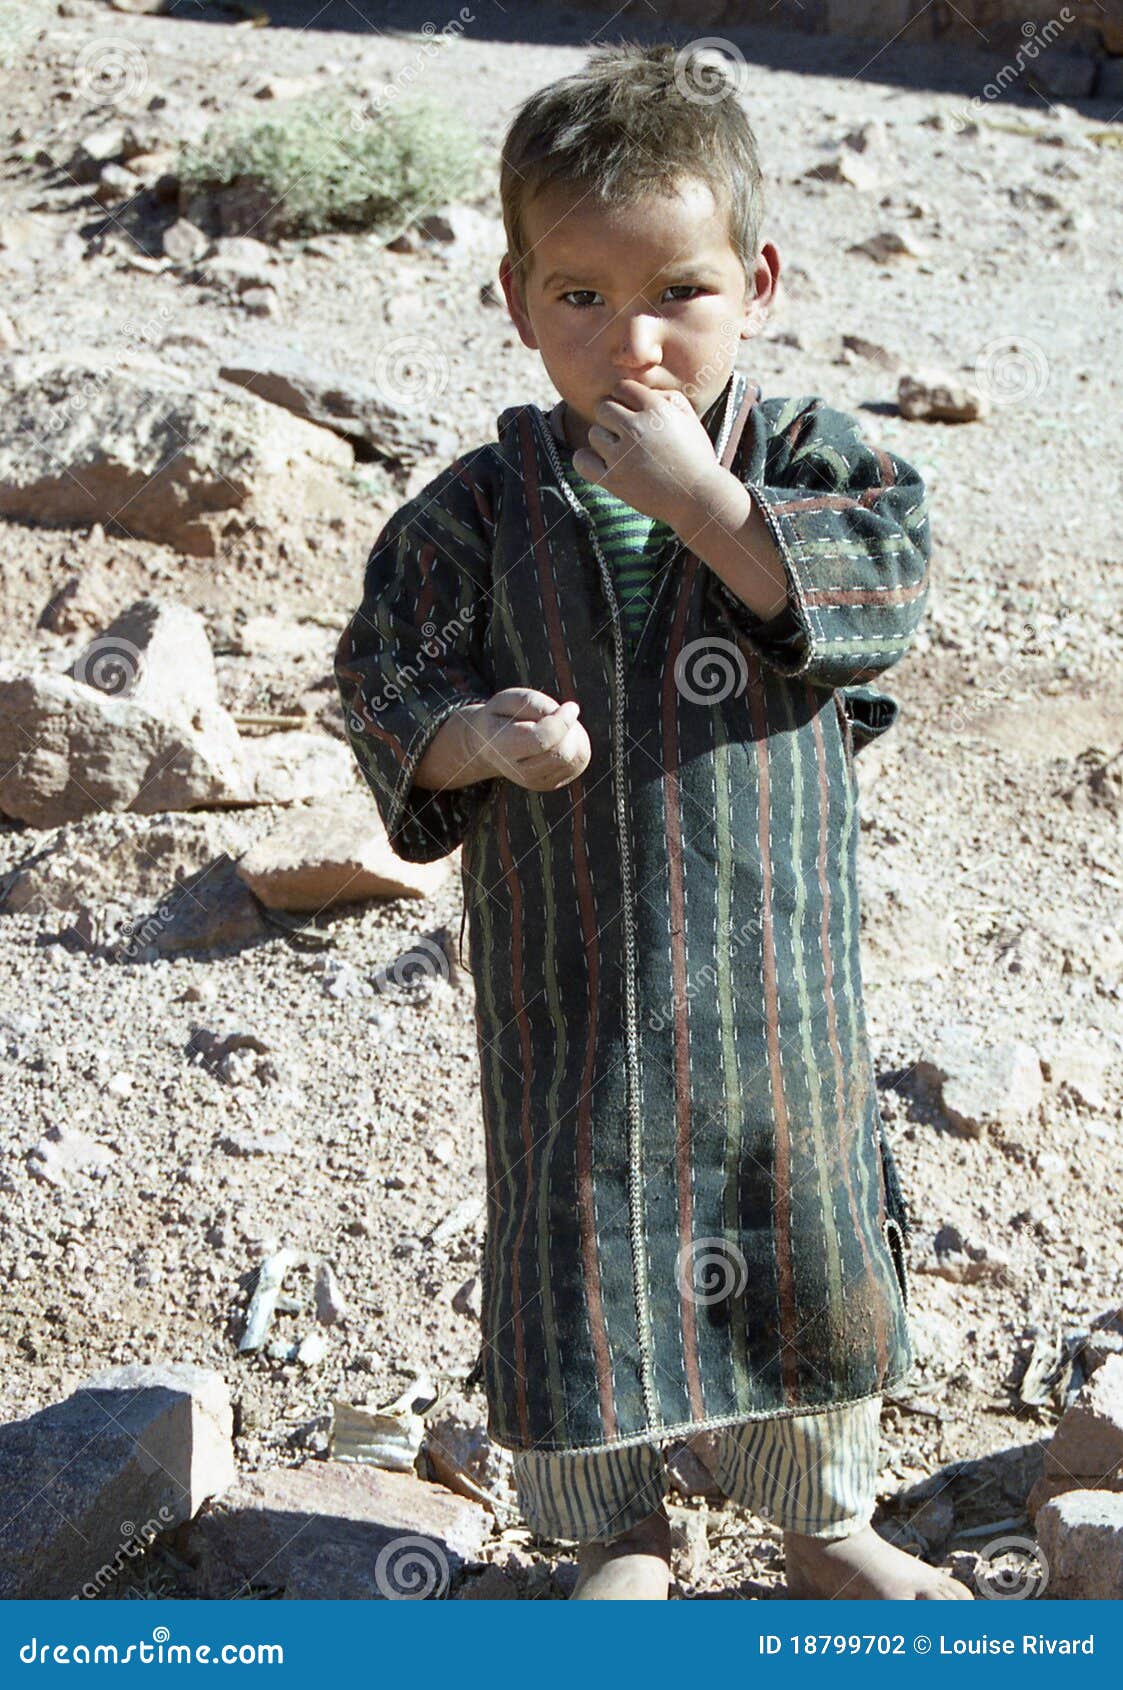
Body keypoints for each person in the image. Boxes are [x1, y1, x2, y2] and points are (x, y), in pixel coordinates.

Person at [335, 41, 972, 1601]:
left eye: (677, 293)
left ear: (756, 282)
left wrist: (707, 505)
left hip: (777, 981)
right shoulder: (479, 508)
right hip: (577, 990)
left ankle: (824, 1521)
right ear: (515, 296)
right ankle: (613, 1527)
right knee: (579, 1235)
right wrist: (472, 735)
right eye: (581, 298)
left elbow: (884, 588)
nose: (632, 343)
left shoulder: (810, 455)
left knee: (801, 1223)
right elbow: (382, 667)